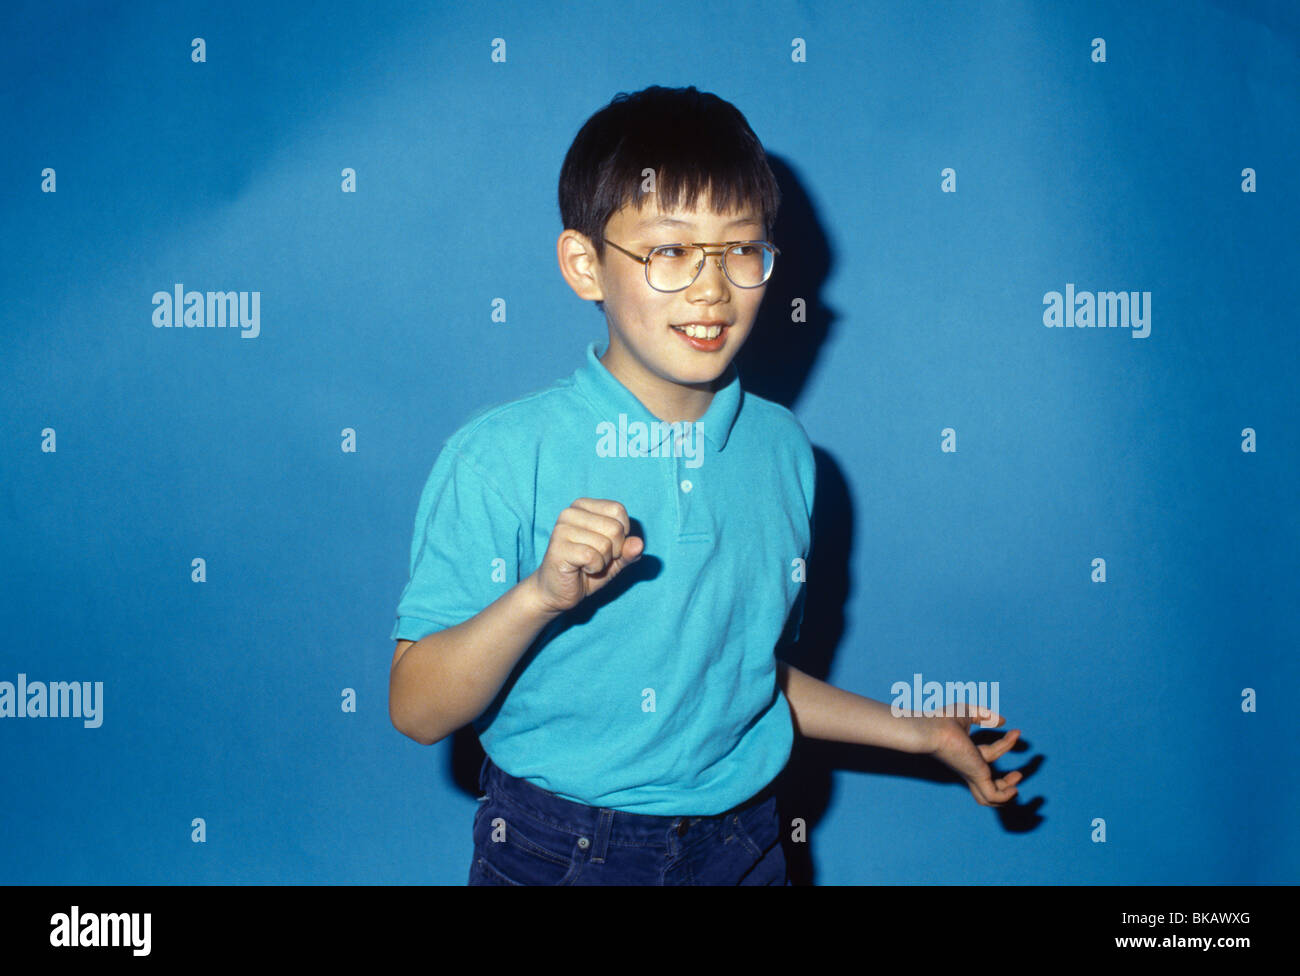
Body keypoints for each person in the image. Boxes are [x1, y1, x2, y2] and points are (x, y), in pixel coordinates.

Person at [388, 84, 1023, 885]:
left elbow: (741, 679)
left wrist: (919, 733)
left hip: (746, 844)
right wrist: (537, 598)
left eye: (740, 250)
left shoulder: (785, 452)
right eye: (670, 251)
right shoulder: (499, 458)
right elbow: (416, 709)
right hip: (565, 851)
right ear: (586, 264)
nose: (713, 288)